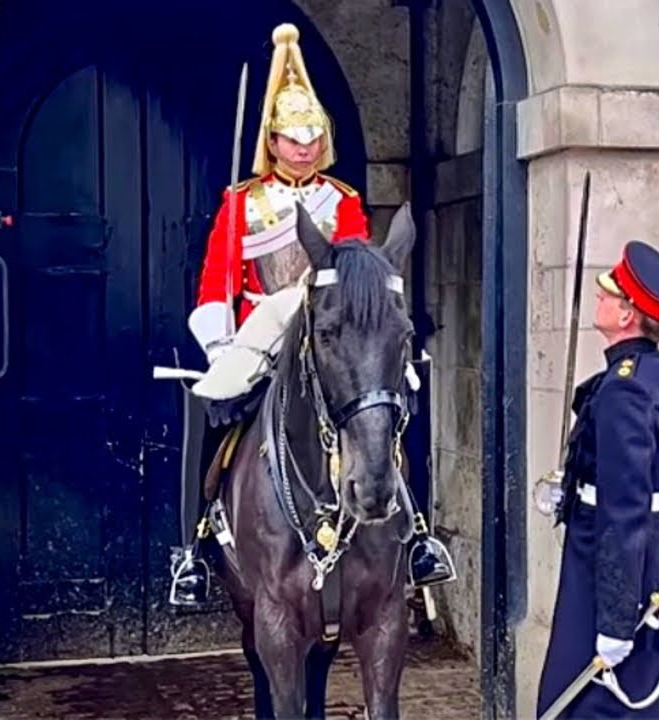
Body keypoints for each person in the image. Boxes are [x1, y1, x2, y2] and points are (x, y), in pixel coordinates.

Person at [168, 22, 456, 608]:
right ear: (273, 141)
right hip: (260, 332)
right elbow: (215, 285)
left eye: (313, 137)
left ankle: (418, 534)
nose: (304, 148)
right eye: (292, 138)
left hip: (334, 328)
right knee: (211, 405)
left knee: (395, 397)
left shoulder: (342, 200)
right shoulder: (241, 202)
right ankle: (194, 546)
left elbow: (357, 268)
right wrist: (222, 345)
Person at [535, 240, 659, 718]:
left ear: (628, 315)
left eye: (609, 294)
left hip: (607, 560)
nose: (599, 298)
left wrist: (614, 622)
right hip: (651, 556)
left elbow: (623, 514)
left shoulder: (624, 391)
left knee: (592, 703)